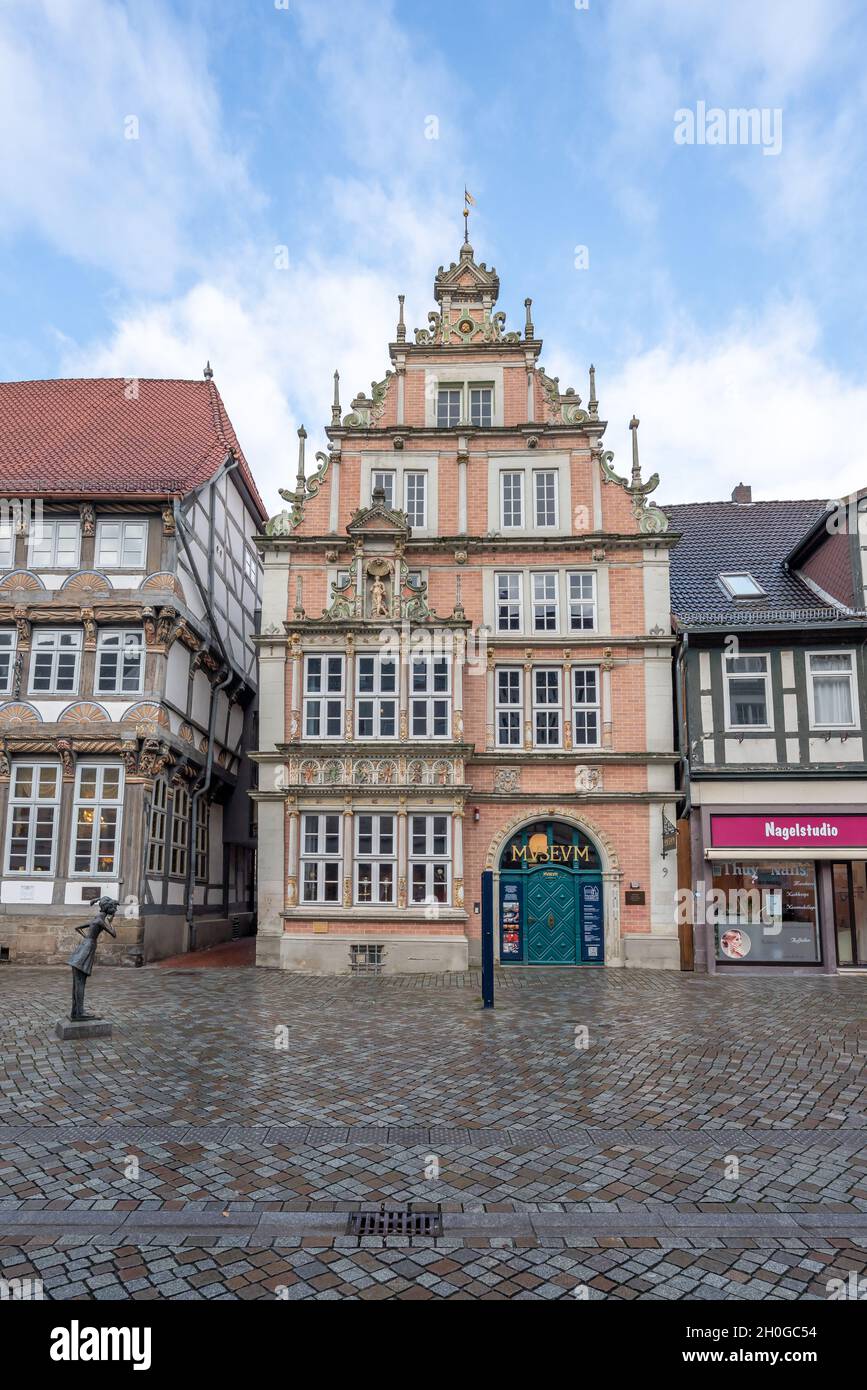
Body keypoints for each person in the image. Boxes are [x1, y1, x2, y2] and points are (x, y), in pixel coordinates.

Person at [68, 897, 118, 1020]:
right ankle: (80, 1013)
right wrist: (110, 922)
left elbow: (77, 928)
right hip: (87, 949)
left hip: (84, 946)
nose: (115, 910)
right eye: (114, 907)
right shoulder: (100, 921)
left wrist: (87, 938)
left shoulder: (96, 918)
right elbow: (114, 934)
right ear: (108, 908)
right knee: (80, 982)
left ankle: (75, 1012)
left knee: (77, 982)